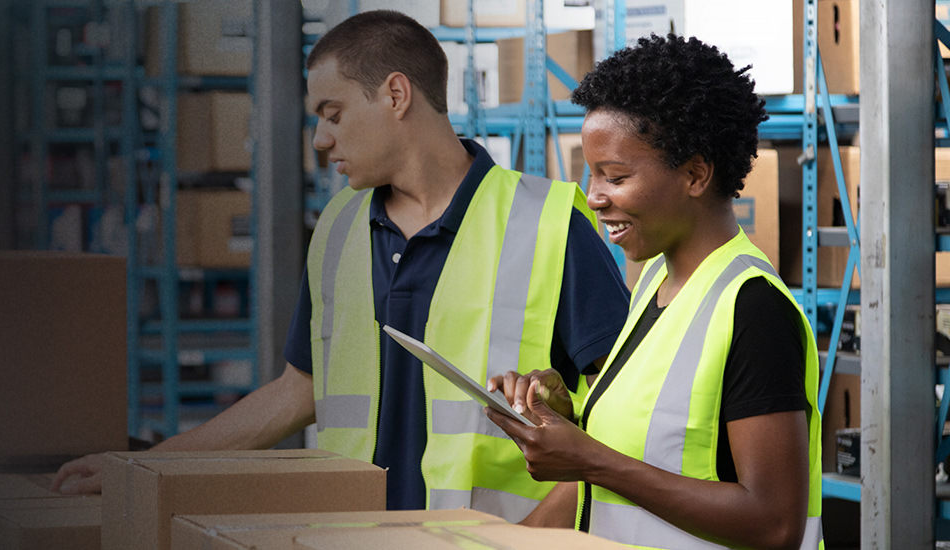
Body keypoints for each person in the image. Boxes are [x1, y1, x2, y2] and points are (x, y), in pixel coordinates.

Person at [52, 10, 630, 519]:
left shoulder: (545, 222)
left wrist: (528, 540)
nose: (321, 140)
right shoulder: (338, 227)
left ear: (396, 94)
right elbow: (295, 392)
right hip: (350, 536)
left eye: (332, 113)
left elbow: (620, 423)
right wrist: (144, 466)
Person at [484, 34, 822, 549]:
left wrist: (589, 458)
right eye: (592, 174)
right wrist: (566, 416)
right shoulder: (655, 286)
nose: (594, 197)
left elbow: (774, 524)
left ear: (695, 173)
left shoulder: (754, 309)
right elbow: (654, 449)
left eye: (615, 176)